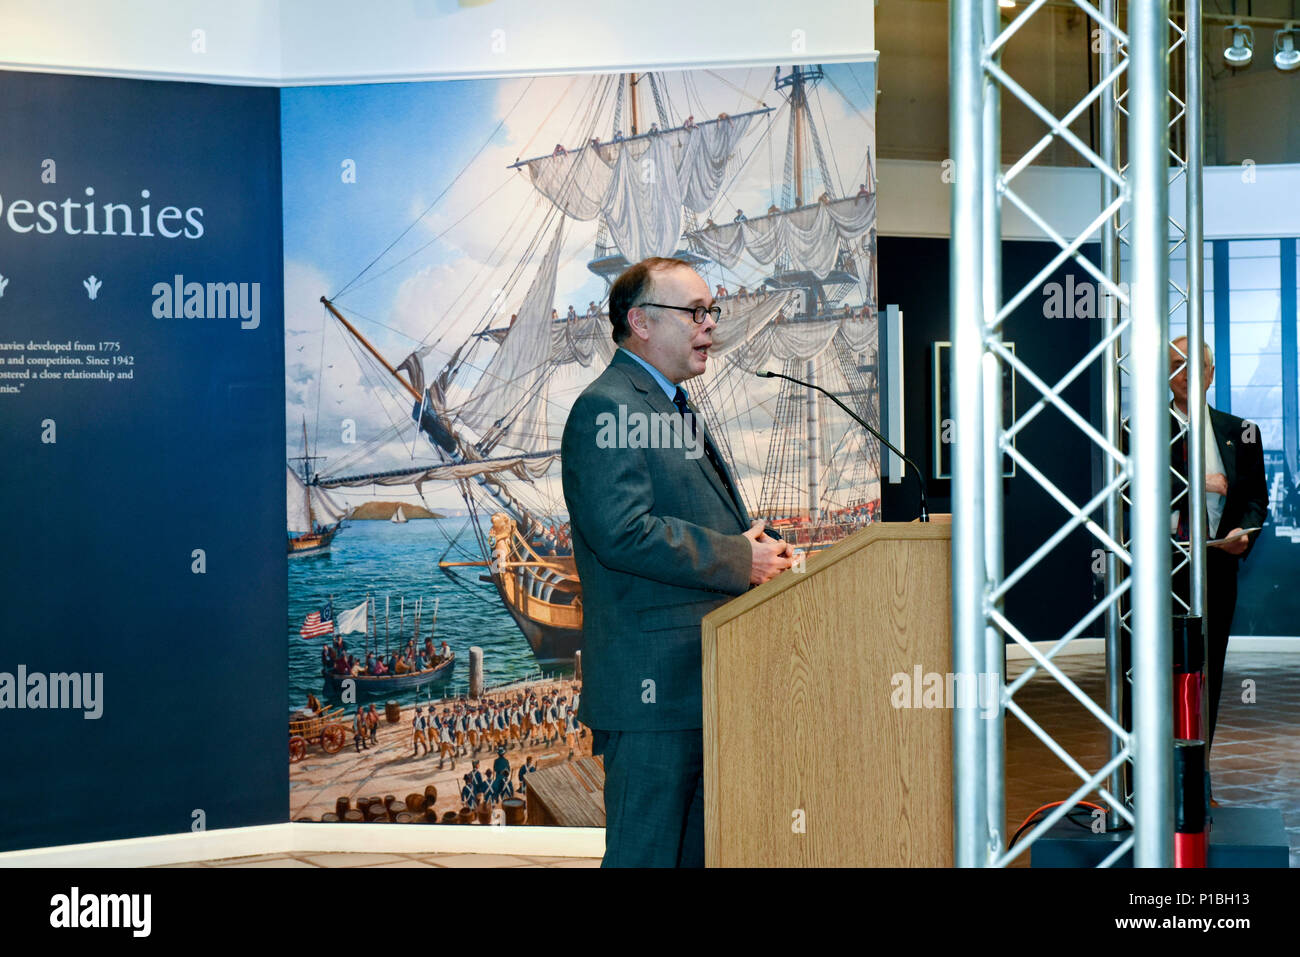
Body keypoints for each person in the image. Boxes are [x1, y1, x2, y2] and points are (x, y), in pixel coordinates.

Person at [560, 256, 793, 867]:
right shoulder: (607, 407)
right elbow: (623, 532)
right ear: (640, 321)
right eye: (694, 311)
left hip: (696, 684)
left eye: (710, 311)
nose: (709, 325)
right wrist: (740, 559)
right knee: (646, 856)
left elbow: (678, 516)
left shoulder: (667, 404)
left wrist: (754, 543)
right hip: (654, 695)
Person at [1167, 337, 1268, 761]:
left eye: (1195, 364)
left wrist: (1244, 533)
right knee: (1158, 670)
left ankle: (1196, 768)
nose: (1186, 371)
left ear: (1210, 374)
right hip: (1163, 567)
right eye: (1176, 363)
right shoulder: (1135, 431)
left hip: (1217, 568)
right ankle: (1151, 774)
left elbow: (1255, 500)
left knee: (1208, 669)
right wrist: (1193, 482)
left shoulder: (1242, 432)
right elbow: (1128, 494)